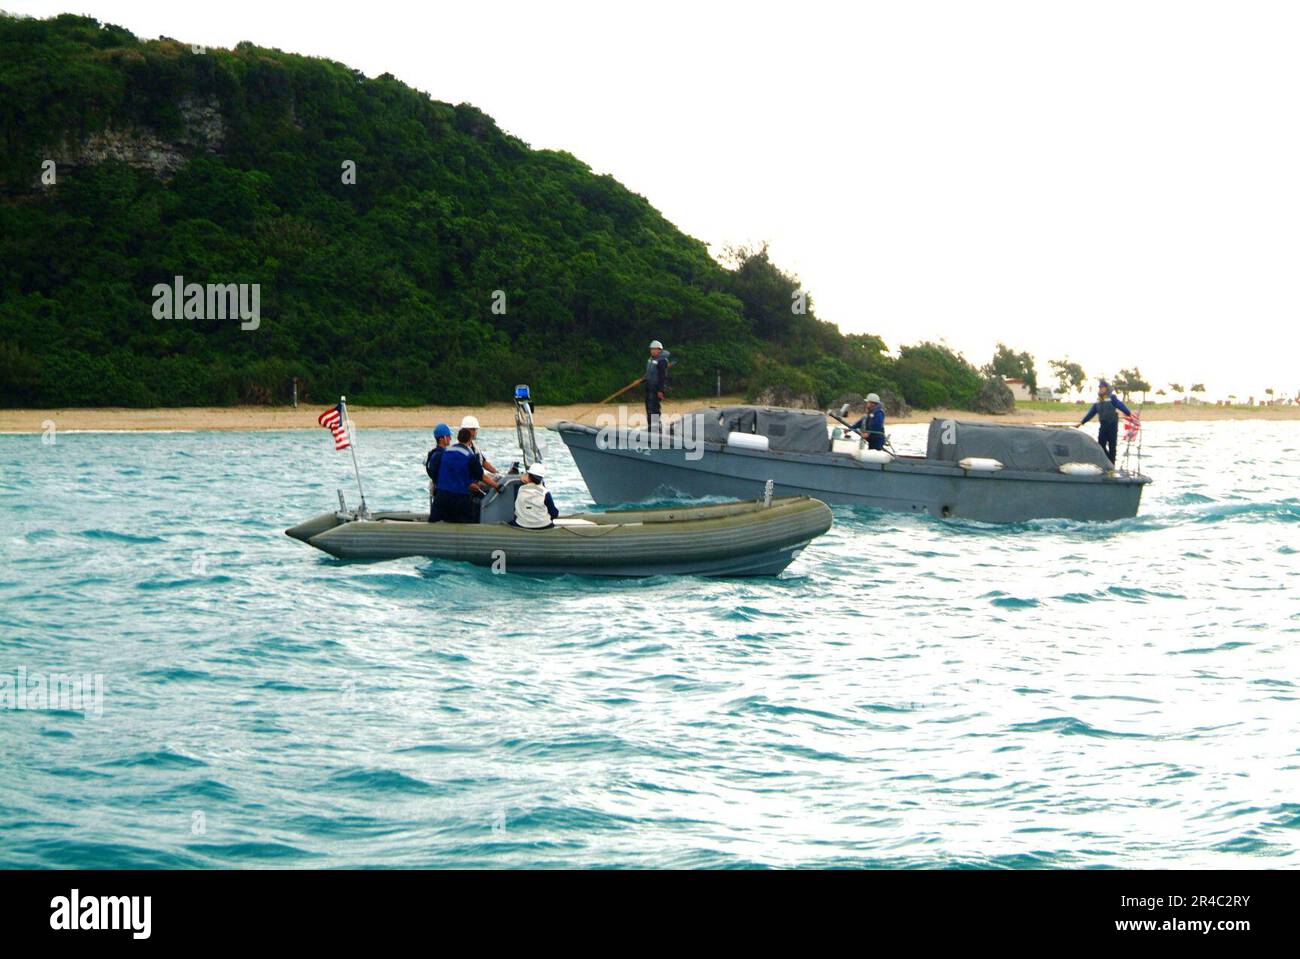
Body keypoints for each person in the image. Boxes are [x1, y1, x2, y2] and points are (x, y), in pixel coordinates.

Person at [429, 428, 486, 524]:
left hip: (441, 493)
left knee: (435, 521)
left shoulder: (442, 453)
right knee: (466, 521)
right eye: (448, 437)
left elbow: (434, 471)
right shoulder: (468, 454)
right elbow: (480, 475)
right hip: (459, 496)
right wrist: (496, 485)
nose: (450, 439)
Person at [1080, 379, 1133, 463]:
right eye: (1100, 387)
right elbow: (1092, 412)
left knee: (1112, 446)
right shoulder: (1098, 400)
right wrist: (1082, 422)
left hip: (1112, 425)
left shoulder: (1112, 397)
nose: (1100, 389)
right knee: (1101, 445)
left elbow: (1120, 405)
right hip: (1103, 426)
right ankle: (1108, 461)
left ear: (1106, 388)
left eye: (1102, 387)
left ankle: (1112, 464)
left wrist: (1128, 412)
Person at [511, 462, 559, 529]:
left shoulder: (520, 489)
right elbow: (554, 513)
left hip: (522, 524)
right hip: (543, 526)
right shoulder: (545, 493)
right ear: (541, 478)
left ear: (528, 476)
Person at [424, 423, 453, 522]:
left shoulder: (432, 453)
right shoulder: (442, 455)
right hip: (443, 494)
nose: (450, 439)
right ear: (442, 439)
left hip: (438, 491)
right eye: (448, 436)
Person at [644, 340, 669, 431]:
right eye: (651, 349)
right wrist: (643, 380)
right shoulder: (651, 360)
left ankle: (656, 429)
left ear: (659, 350)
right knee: (649, 408)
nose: (652, 351)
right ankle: (650, 428)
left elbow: (662, 377)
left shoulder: (662, 361)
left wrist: (660, 390)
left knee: (654, 409)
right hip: (649, 388)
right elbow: (649, 374)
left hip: (656, 389)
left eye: (654, 349)